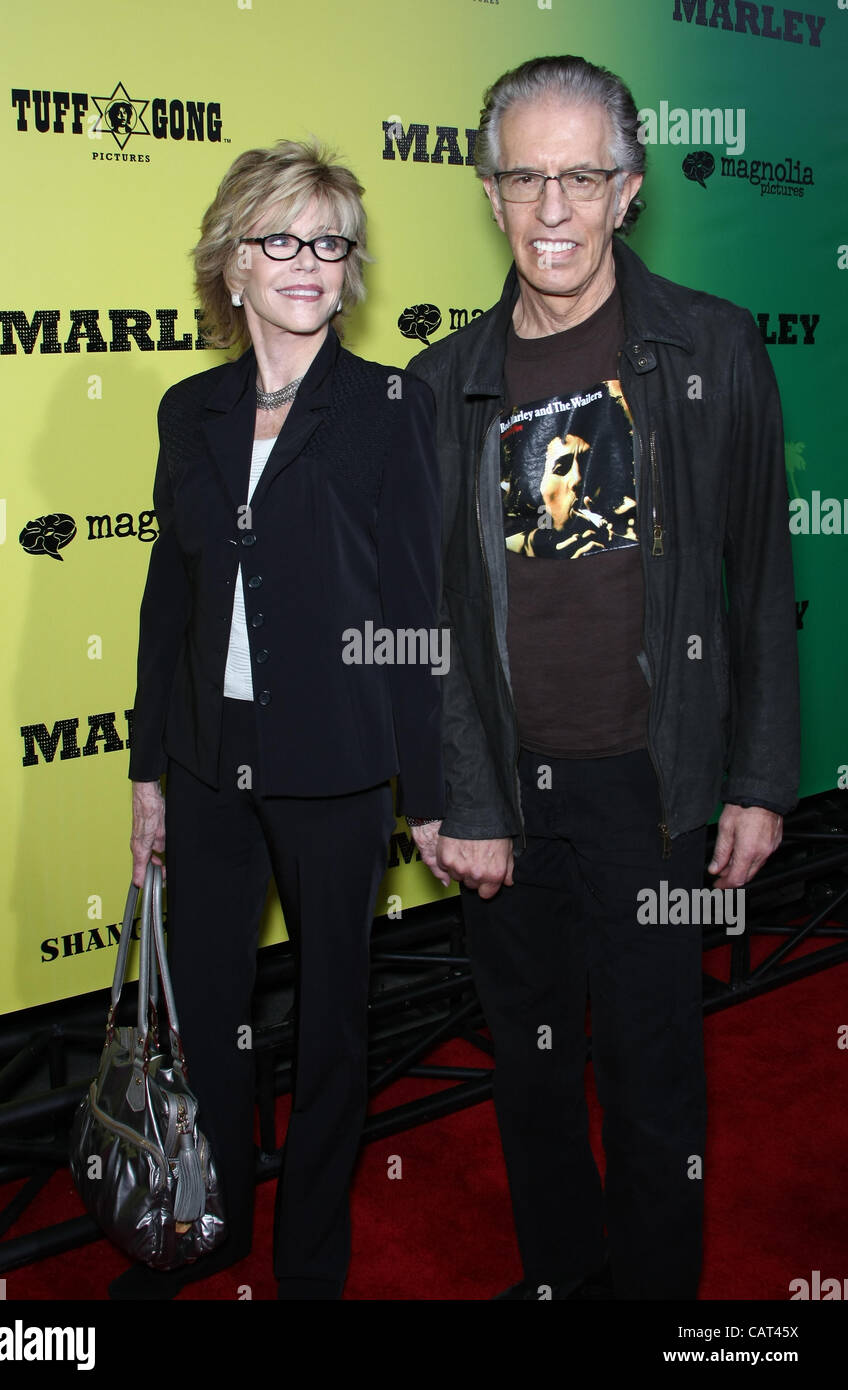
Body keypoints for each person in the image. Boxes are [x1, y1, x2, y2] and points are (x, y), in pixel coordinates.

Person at [406, 56, 799, 1301]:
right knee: (527, 1078)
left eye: (582, 175)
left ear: (629, 190)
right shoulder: (439, 384)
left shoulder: (715, 348)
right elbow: (428, 622)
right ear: (487, 192)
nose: (555, 207)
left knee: (654, 1075)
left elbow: (756, 580)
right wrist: (454, 793)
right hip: (508, 804)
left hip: (655, 790)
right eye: (526, 176)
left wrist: (756, 777)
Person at [119, 140, 443, 1300]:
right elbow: (172, 594)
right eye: (281, 239)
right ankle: (210, 1228)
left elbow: (416, 600)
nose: (307, 263)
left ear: (349, 268)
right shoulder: (187, 409)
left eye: (329, 242)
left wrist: (436, 787)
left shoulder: (388, 404)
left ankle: (310, 1260)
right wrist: (148, 769)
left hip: (340, 768)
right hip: (209, 766)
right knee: (209, 1018)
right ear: (233, 262)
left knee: (329, 1032)